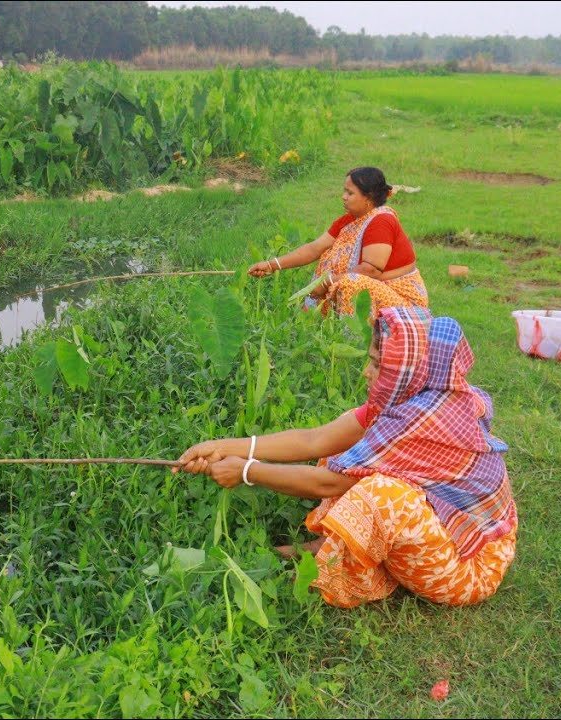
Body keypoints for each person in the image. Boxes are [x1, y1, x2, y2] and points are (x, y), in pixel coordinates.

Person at [174, 306, 517, 608]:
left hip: (470, 565)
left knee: (382, 495)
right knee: (347, 450)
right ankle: (325, 545)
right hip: (448, 536)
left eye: (379, 365)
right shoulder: (412, 397)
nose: (367, 372)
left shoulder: (426, 419)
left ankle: (333, 565)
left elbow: (327, 484)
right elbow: (316, 440)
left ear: (410, 371)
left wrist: (246, 471)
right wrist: (224, 446)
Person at [248, 167, 428, 316]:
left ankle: (355, 341)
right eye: (345, 191)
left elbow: (370, 270)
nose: (344, 197)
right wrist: (271, 265)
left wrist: (327, 283)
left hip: (401, 302)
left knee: (350, 283)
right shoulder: (349, 220)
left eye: (350, 193)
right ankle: (325, 327)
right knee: (336, 266)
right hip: (373, 290)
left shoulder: (381, 221)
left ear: (368, 197)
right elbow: (314, 249)